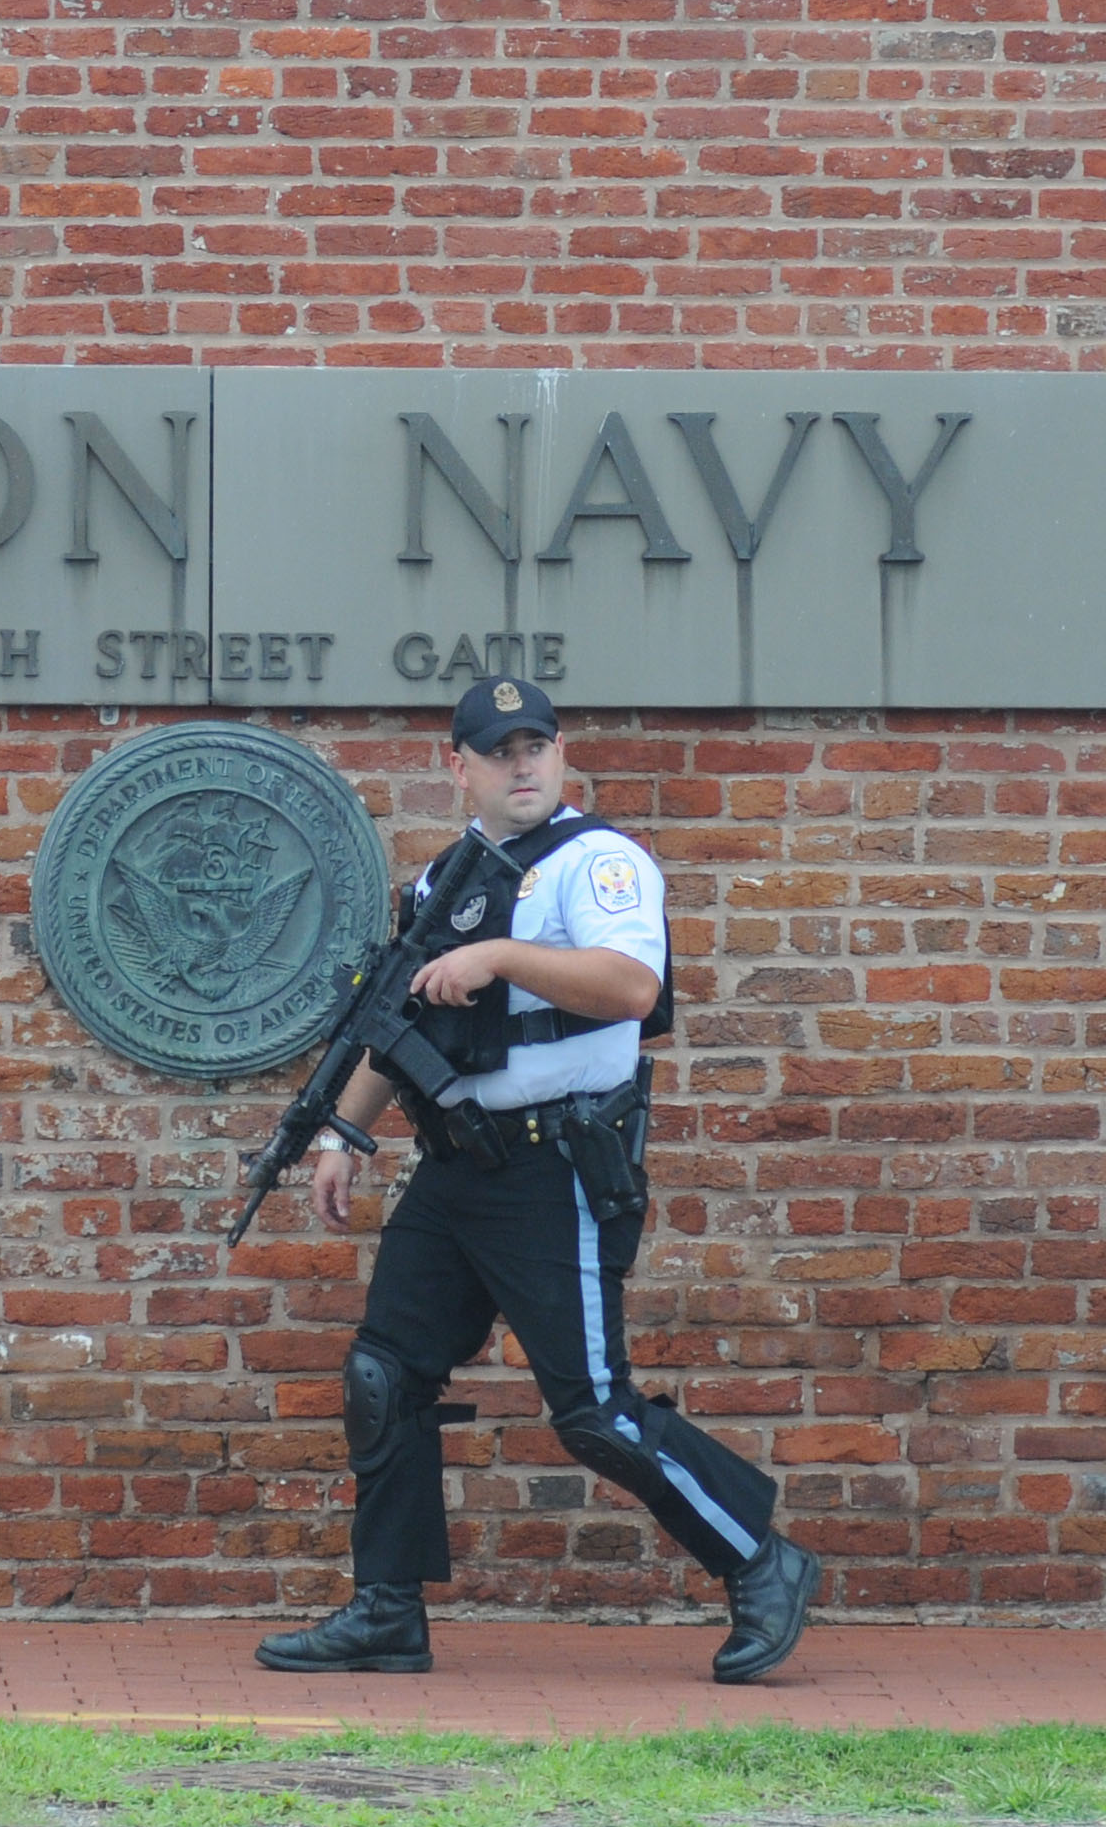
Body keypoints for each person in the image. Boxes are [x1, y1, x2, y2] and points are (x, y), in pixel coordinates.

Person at [256, 677, 825, 1685]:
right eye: (499, 750)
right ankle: (386, 1610)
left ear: (559, 754)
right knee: (384, 1377)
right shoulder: (445, 879)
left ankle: (759, 1560)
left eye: (537, 746)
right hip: (455, 1167)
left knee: (593, 1410)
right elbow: (400, 1023)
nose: (522, 765)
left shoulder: (598, 862)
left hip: (553, 1164)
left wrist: (501, 956)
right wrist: (345, 1129)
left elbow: (632, 987)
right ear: (460, 766)